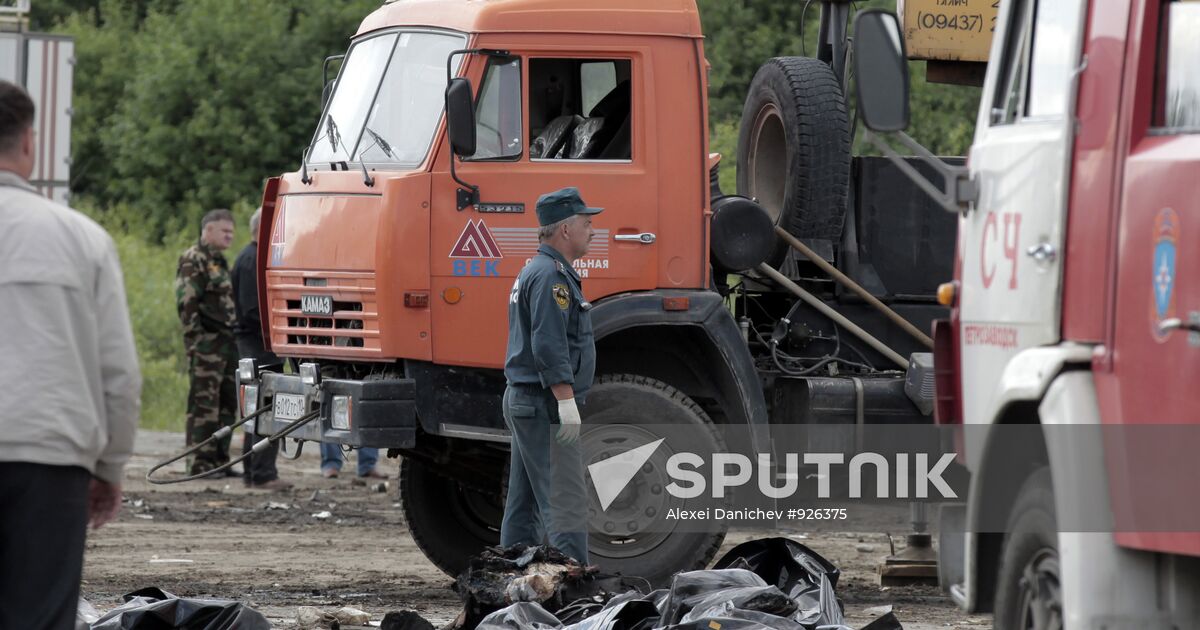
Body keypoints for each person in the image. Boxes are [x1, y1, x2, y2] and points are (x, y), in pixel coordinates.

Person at [0, 80, 142, 629]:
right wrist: (109, 467)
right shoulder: (82, 239)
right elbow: (119, 374)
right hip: (50, 462)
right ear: (28, 143)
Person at [500, 186, 602, 564]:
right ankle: (574, 586)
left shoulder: (537, 270)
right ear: (565, 230)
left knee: (524, 502)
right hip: (543, 401)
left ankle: (512, 575)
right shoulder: (550, 277)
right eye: (586, 223)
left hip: (526, 398)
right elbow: (548, 343)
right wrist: (565, 400)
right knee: (565, 499)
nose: (593, 230)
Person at [176, 208, 240, 476]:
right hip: (206, 344)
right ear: (209, 230)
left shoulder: (219, 260)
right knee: (204, 403)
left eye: (231, 232)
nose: (230, 236)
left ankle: (219, 460)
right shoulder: (194, 259)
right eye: (225, 231)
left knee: (227, 403)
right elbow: (187, 303)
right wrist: (197, 341)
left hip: (227, 342)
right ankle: (199, 462)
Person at [232, 207, 291, 490]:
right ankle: (262, 474)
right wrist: (283, 325)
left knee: (256, 411)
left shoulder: (252, 257)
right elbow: (252, 310)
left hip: (258, 347)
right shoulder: (252, 260)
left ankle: (254, 473)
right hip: (257, 347)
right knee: (265, 410)